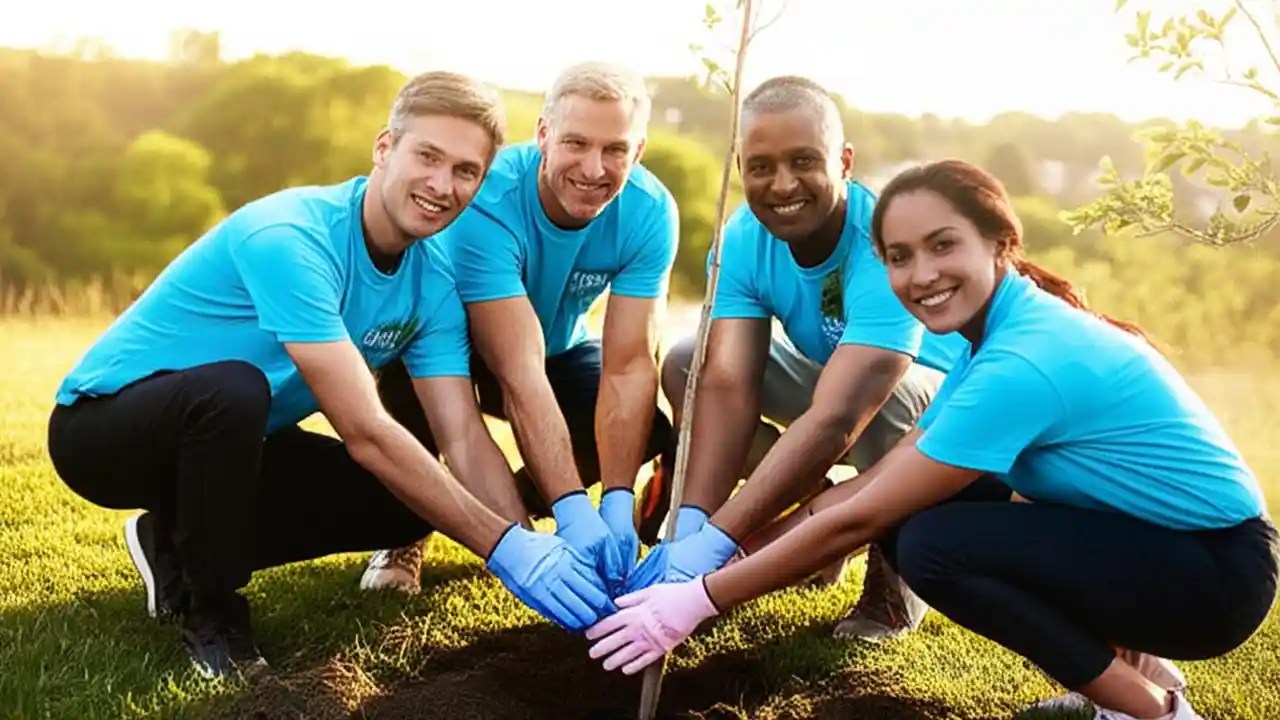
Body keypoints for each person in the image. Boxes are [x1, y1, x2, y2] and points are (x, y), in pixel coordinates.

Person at [584, 159, 1279, 720]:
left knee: (935, 546)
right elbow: (871, 486)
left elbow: (863, 517)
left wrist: (701, 599)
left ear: (1000, 242)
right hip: (1164, 550)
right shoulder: (992, 341)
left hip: (1214, 577)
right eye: (898, 256)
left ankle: (1153, 712)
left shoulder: (1023, 360)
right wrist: (705, 564)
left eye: (943, 246)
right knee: (929, 509)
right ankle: (1141, 675)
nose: (921, 275)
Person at [45, 71, 613, 680]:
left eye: (465, 171)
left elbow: (462, 437)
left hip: (230, 440)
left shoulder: (434, 280)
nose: (441, 185)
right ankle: (212, 614)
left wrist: (530, 546)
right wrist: (509, 552)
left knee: (408, 502)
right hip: (104, 431)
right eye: (428, 156)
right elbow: (365, 429)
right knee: (234, 389)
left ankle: (173, 549)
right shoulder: (292, 236)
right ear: (384, 147)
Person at [644, 75, 965, 641]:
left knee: (889, 408)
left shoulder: (880, 240)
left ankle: (892, 583)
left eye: (803, 161)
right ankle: (821, 507)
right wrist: (691, 531)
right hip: (833, 378)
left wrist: (724, 547)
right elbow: (727, 386)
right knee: (689, 366)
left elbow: (840, 417)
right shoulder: (743, 237)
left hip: (937, 401)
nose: (782, 183)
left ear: (843, 161)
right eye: (761, 166)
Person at [361, 61, 679, 597]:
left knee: (648, 425)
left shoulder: (650, 212)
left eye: (615, 150)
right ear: (543, 136)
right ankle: (407, 532)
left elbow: (628, 365)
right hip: (459, 351)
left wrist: (617, 503)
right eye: (576, 143)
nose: (594, 168)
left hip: (558, 349)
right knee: (406, 374)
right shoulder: (491, 201)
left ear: (638, 152)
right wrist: (575, 512)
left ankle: (508, 504)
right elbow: (516, 371)